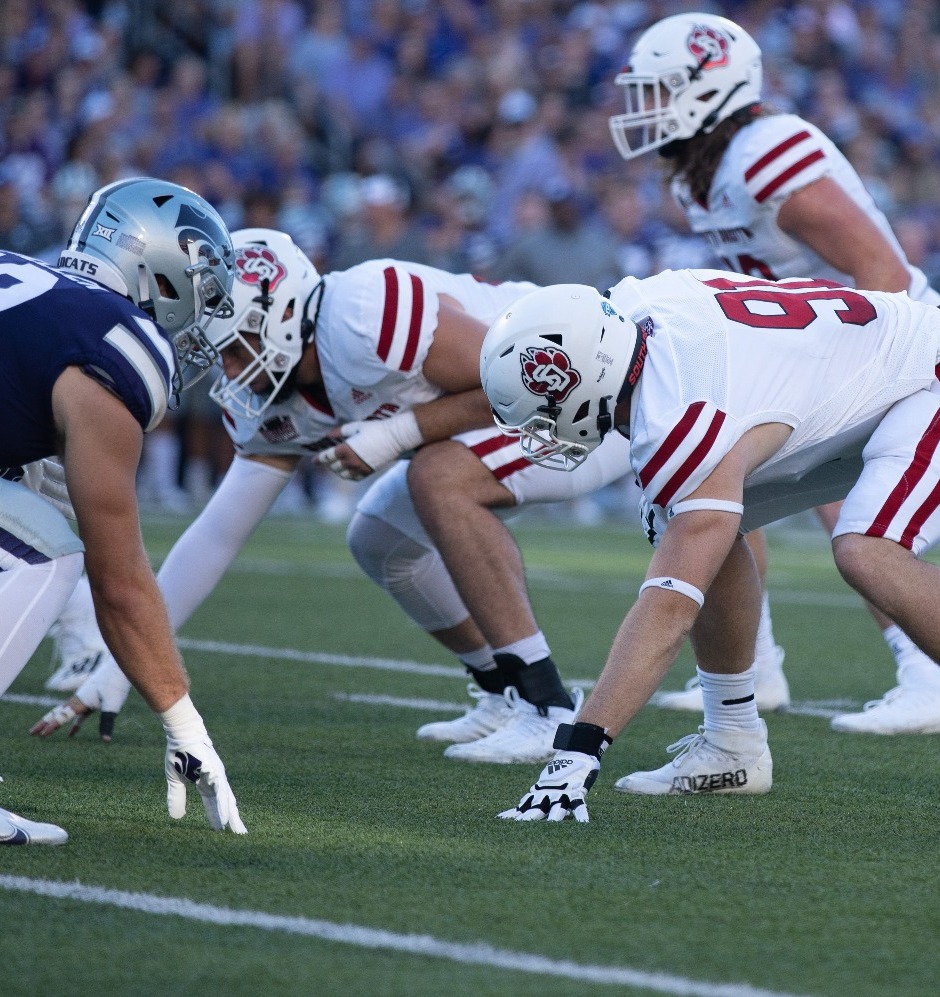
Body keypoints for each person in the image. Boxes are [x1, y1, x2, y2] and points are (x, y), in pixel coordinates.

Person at [481, 274, 940, 829]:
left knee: (869, 552)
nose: (544, 425)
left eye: (547, 406)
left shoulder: (679, 411)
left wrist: (575, 757)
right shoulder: (638, 305)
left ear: (588, 371)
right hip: (871, 383)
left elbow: (669, 608)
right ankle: (733, 744)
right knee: (699, 521)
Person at [33, 229, 633, 768]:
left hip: (578, 397)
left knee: (437, 478)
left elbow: (523, 375)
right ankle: (500, 690)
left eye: (238, 345)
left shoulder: (362, 314)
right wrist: (117, 673)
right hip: (520, 411)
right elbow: (216, 535)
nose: (229, 367)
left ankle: (548, 706)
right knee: (378, 539)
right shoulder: (276, 400)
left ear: (283, 314)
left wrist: (396, 434)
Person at [609, 11, 940, 735]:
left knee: (853, 517)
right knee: (721, 485)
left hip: (885, 346)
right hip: (810, 354)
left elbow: (883, 270)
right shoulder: (704, 173)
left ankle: (929, 678)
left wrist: (859, 381)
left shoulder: (767, 152)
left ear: (709, 89)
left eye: (660, 91)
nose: (644, 109)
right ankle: (758, 668)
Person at [1, 177, 246, 844]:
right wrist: (186, 726)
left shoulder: (23, 275)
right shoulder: (110, 340)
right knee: (45, 543)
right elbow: (121, 583)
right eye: (198, 288)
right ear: (155, 263)